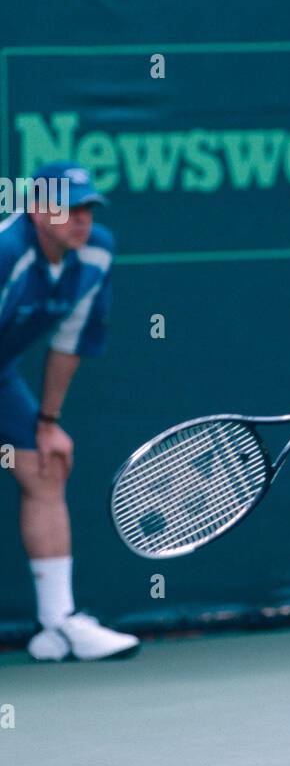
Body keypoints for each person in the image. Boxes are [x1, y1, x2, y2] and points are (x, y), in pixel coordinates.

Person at [0, 163, 139, 661]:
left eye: (86, 208)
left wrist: (47, 423)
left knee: (44, 466)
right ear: (36, 210)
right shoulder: (6, 251)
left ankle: (57, 626)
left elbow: (69, 340)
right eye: (67, 208)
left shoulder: (95, 252)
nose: (80, 219)